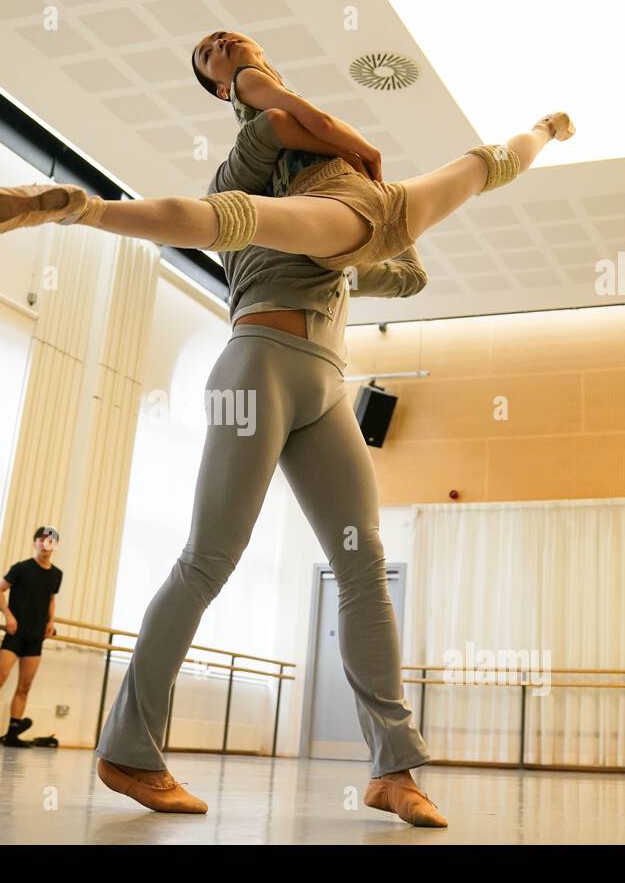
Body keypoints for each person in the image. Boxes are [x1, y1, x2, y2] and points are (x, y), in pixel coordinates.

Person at [78, 58, 464, 824]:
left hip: (327, 385)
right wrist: (264, 90)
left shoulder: (342, 184)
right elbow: (287, 120)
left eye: (237, 47)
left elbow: (411, 272)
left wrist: (351, 253)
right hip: (257, 368)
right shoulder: (246, 160)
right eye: (216, 54)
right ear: (224, 92)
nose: (234, 50)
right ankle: (129, 750)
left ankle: (396, 767)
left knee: (363, 565)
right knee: (210, 557)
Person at [0, 29, 572, 288]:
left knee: (482, 169)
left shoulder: (247, 87)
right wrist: (365, 148)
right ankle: (546, 127)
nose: (218, 44)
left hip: (361, 220)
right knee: (234, 217)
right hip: (350, 205)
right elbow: (310, 119)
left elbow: (301, 127)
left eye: (221, 39)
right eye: (207, 55)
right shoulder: (253, 83)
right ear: (222, 86)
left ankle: (84, 212)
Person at [0, 527, 61, 747]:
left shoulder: (56, 574)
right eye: (42, 540)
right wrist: (8, 616)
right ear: (35, 543)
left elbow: (50, 599)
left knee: (24, 686)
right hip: (15, 634)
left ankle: (13, 732)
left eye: (51, 541)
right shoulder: (21, 568)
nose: (46, 545)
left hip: (35, 637)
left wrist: (51, 621)